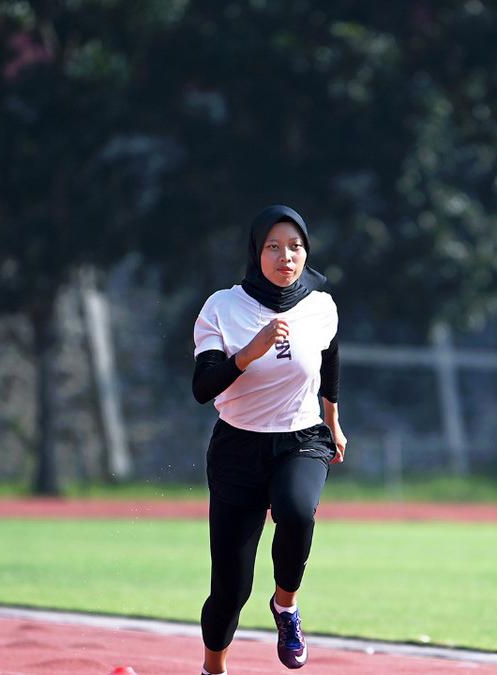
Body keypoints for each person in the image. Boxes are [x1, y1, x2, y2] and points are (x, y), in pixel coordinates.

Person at [191, 204, 346, 674]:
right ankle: (213, 667)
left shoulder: (320, 305)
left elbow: (331, 359)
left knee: (297, 511)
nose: (286, 256)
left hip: (301, 438)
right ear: (256, 252)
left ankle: (286, 606)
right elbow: (202, 389)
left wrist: (333, 420)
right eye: (274, 247)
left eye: (296, 247)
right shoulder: (222, 306)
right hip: (238, 447)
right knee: (230, 590)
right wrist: (247, 354)